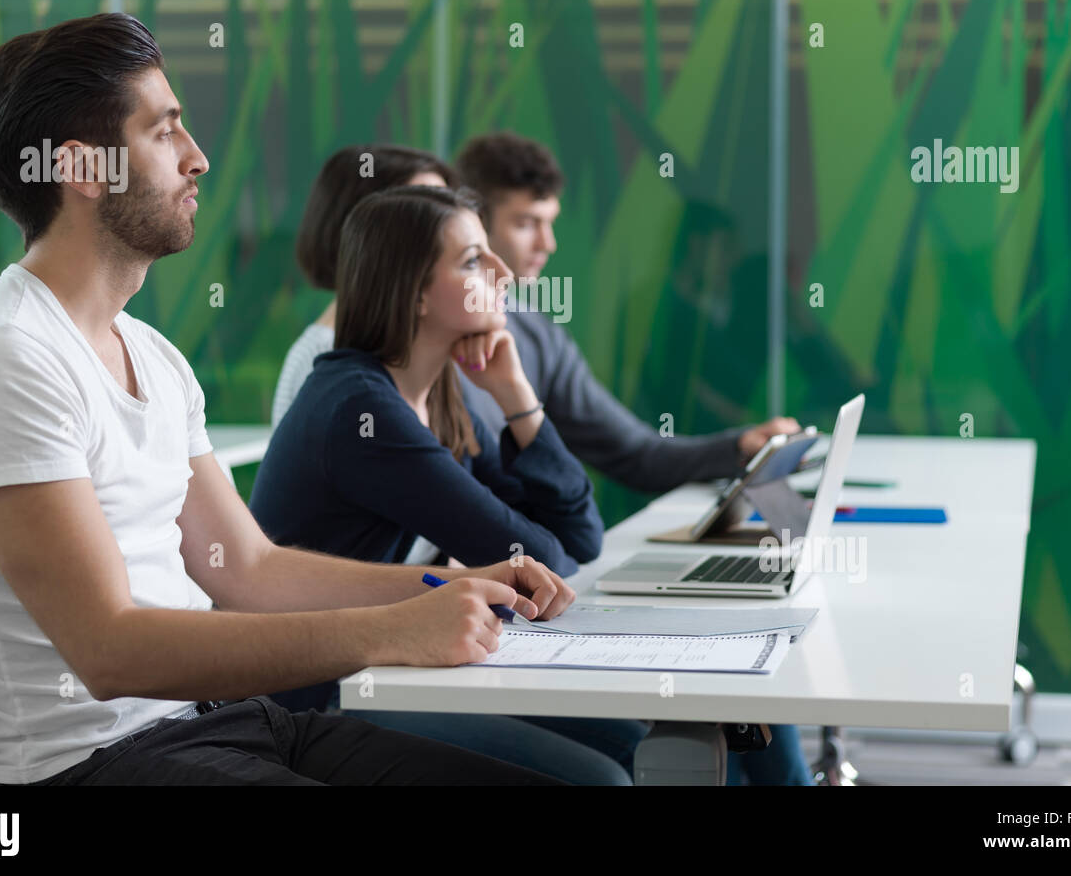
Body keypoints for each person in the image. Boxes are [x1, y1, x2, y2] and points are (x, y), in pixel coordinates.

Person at [0, 12, 572, 786]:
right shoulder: (4, 358)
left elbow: (248, 568)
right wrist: (394, 629)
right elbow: (110, 650)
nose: (199, 159)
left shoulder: (151, 354)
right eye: (164, 133)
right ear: (84, 171)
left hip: (220, 722)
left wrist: (456, 581)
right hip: (99, 765)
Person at [455, 131, 815, 787]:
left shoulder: (534, 333)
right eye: (526, 222)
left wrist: (736, 446)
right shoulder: (434, 351)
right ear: (470, 224)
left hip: (550, 582)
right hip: (506, 604)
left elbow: (632, 451)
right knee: (699, 732)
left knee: (754, 689)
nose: (546, 244)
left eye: (551, 223)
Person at [251, 185, 645, 784]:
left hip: (391, 662)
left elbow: (580, 537)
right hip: (322, 693)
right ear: (413, 293)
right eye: (471, 261)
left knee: (634, 737)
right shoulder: (361, 410)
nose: (503, 272)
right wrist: (535, 556)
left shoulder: (438, 394)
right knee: (603, 778)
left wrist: (516, 398)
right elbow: (541, 561)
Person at [272, 145, 456, 430]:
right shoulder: (325, 358)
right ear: (363, 232)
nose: (448, 234)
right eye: (423, 218)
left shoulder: (411, 348)